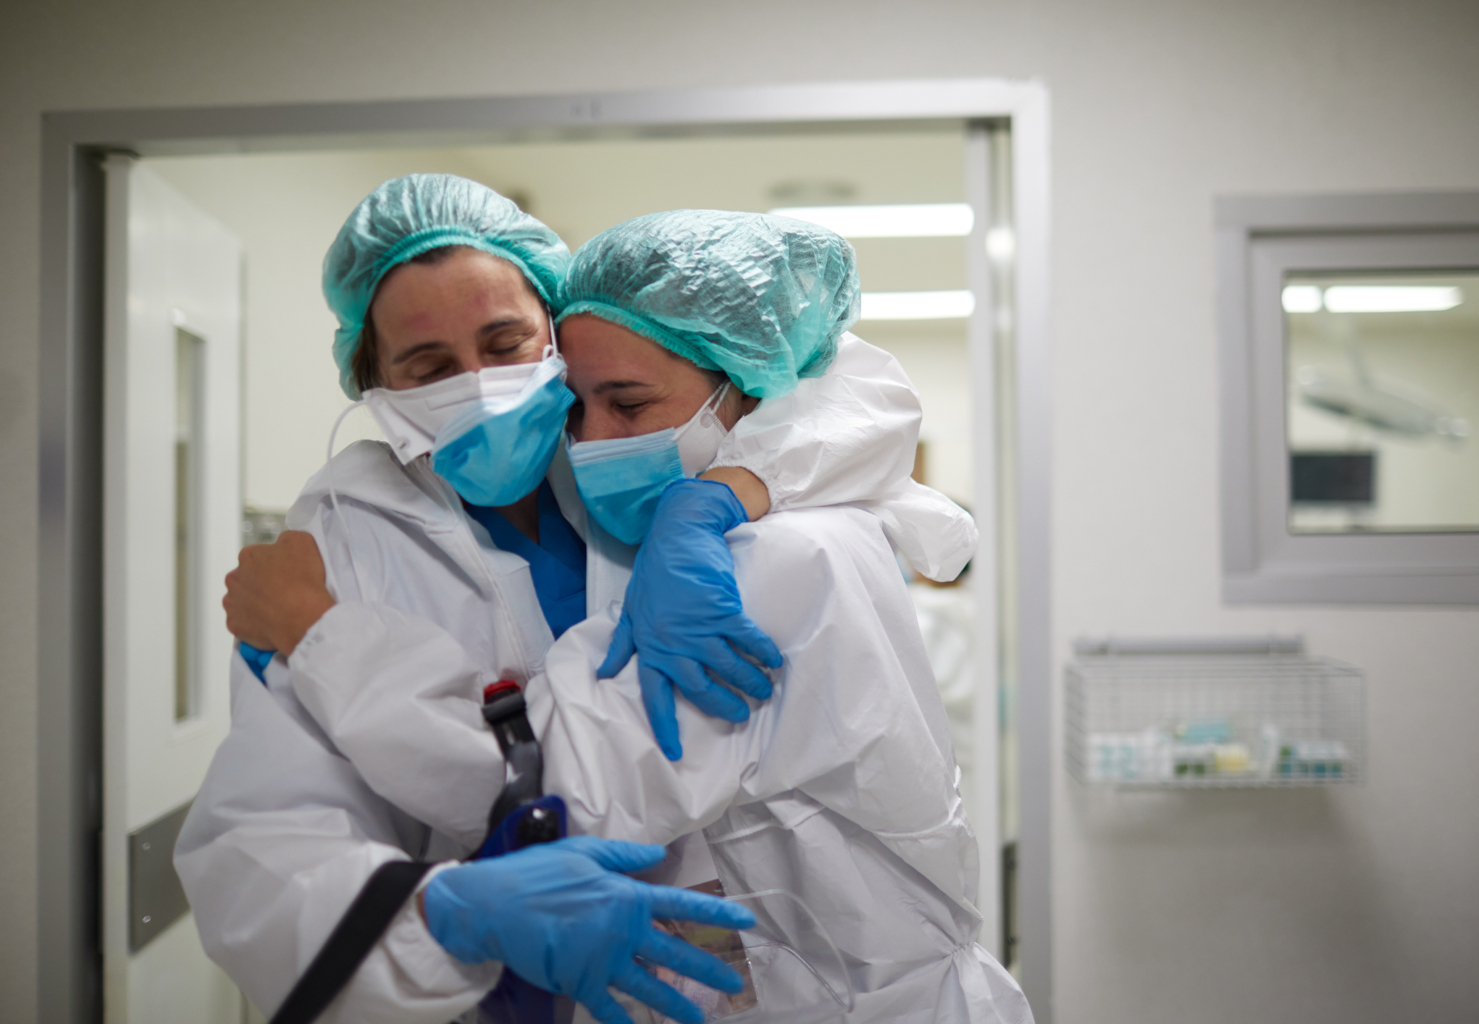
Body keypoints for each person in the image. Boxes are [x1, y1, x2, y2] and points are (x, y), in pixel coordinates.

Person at [177, 178, 973, 1023]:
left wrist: (727, 495)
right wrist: (439, 916)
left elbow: (849, 388)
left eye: (505, 340)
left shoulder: (652, 474)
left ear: (557, 333)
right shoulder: (331, 548)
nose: (479, 385)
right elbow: (262, 849)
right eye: (430, 366)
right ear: (371, 380)